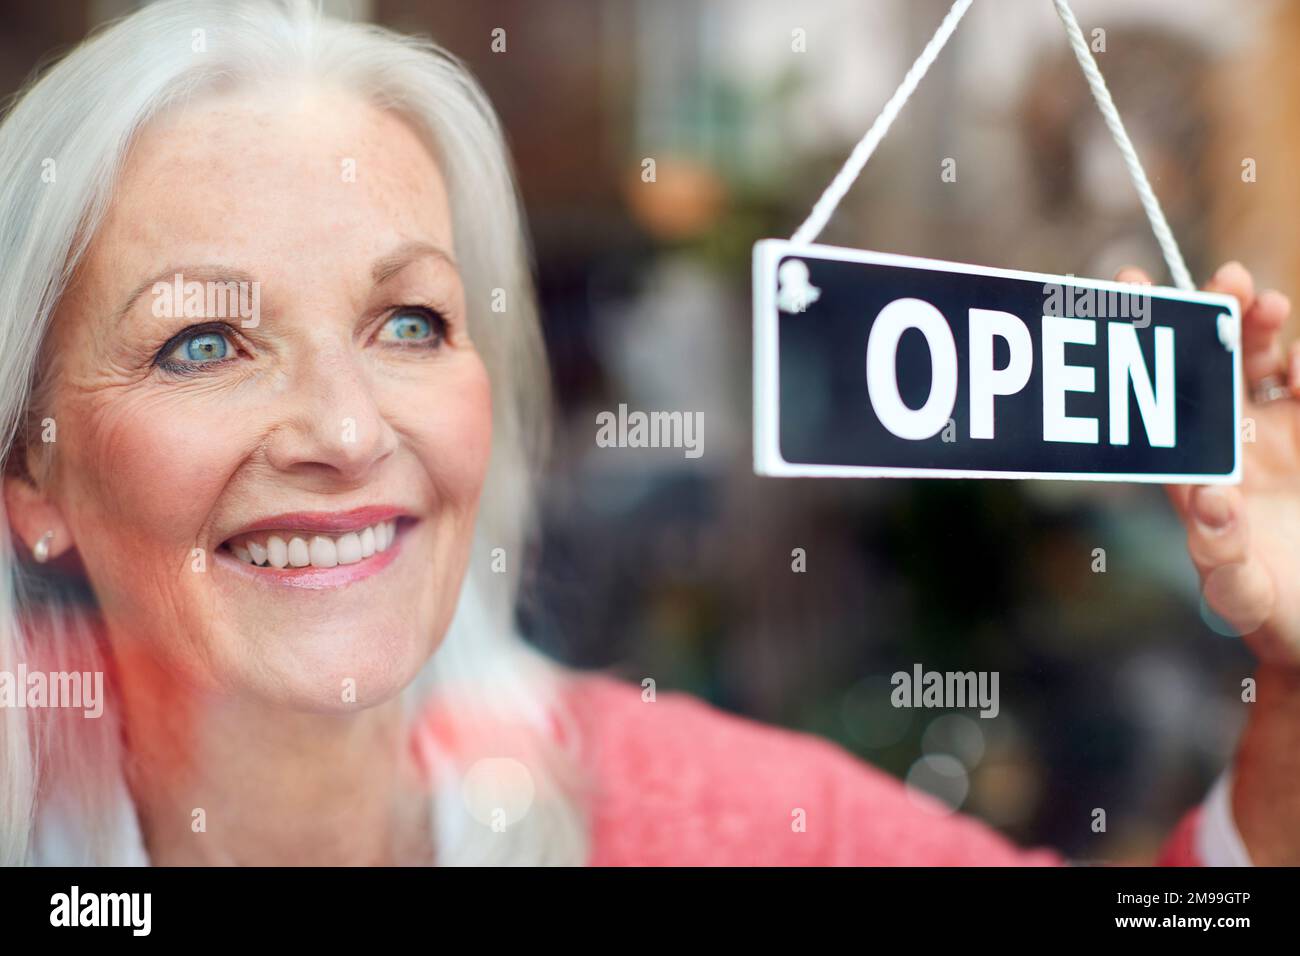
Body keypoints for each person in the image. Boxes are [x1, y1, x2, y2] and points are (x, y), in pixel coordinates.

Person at [0, 0, 1295, 866]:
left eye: (407, 323)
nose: (344, 427)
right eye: (203, 343)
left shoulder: (703, 818)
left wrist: (1288, 698)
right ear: (32, 472)